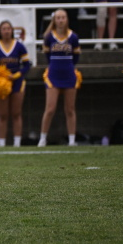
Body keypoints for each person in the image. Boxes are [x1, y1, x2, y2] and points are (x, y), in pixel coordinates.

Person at [39, 9, 81, 147]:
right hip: (53, 75)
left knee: (70, 109)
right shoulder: (48, 37)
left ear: (67, 19)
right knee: (50, 108)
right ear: (54, 20)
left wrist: (68, 67)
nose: (61, 20)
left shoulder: (73, 37)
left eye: (63, 17)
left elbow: (76, 57)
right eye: (58, 18)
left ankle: (72, 140)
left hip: (69, 74)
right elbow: (47, 57)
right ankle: (43, 138)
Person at [0, 19, 31, 148]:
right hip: (1, 83)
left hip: (17, 81)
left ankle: (17, 143)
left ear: (12, 31)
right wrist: (2, 76)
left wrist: (17, 74)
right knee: (2, 114)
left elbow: (27, 65)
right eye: (4, 29)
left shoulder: (19, 46)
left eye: (8, 28)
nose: (6, 31)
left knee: (16, 113)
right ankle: (2, 143)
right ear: (0, 31)